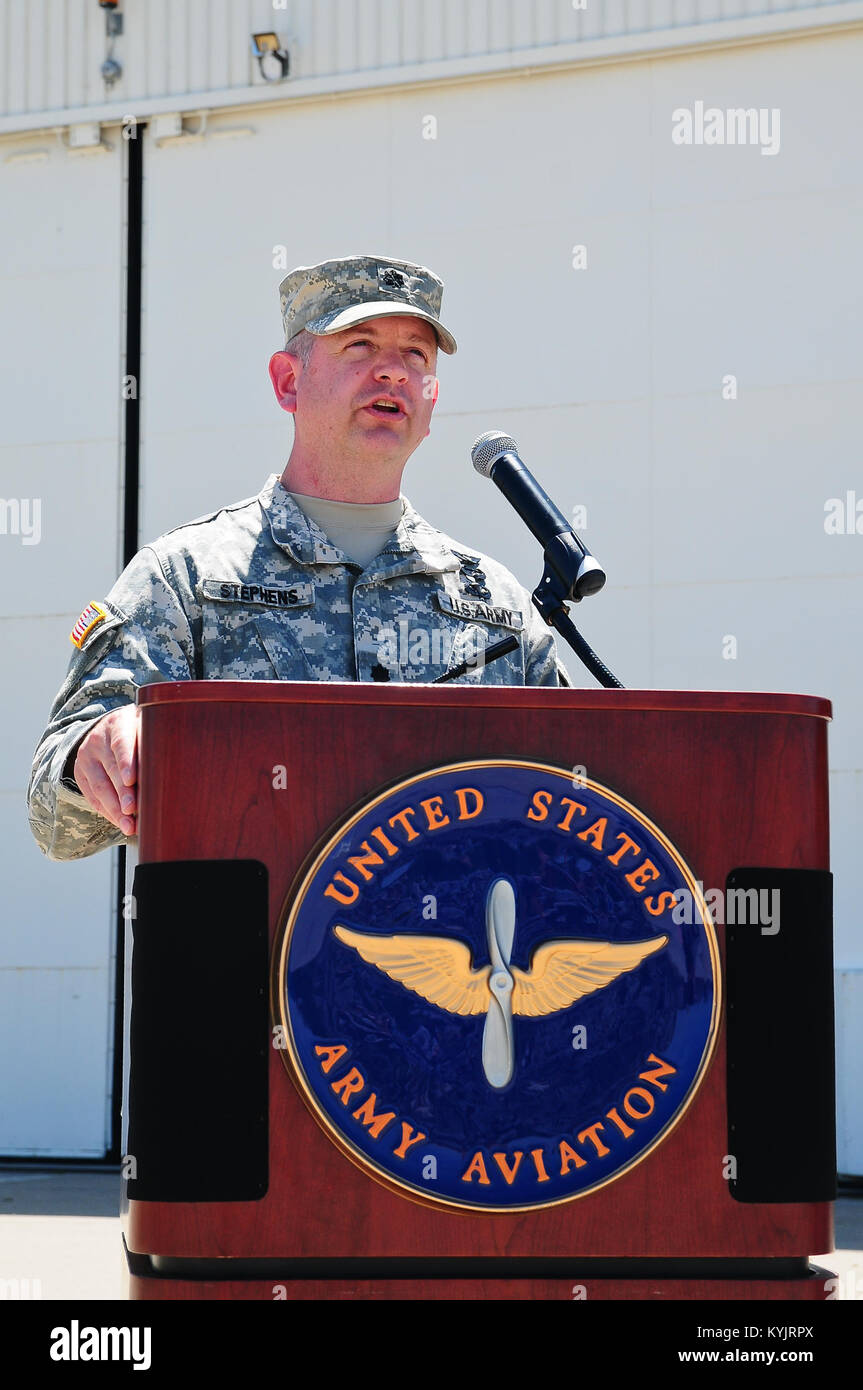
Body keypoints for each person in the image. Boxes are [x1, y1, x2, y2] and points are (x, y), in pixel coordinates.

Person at [27, 254, 570, 863]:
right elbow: (53, 822)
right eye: (360, 346)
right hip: (249, 950)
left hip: (443, 950)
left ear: (432, 397)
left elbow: (578, 794)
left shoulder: (495, 602)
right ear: (288, 381)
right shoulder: (186, 577)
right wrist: (93, 754)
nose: (392, 372)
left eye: (415, 355)